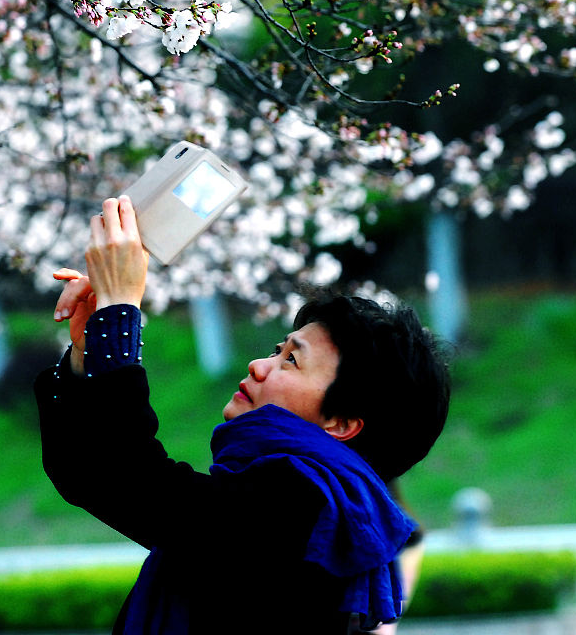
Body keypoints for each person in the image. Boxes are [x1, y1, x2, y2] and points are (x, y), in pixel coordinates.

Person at [35, 196, 451, 633]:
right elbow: (89, 475)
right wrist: (88, 351)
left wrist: (121, 312)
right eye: (278, 350)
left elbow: (137, 481)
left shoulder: (311, 503)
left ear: (342, 424)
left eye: (292, 361)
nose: (259, 364)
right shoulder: (297, 494)